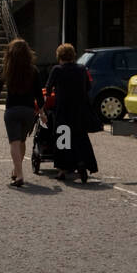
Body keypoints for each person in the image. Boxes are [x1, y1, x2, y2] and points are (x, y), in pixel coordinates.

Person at [0, 38, 44, 187]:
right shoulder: (33, 70)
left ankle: (19, 174)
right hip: (28, 111)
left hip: (12, 110)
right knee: (21, 142)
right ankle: (16, 171)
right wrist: (42, 112)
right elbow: (39, 95)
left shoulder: (7, 68)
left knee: (14, 143)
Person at [45, 43, 99, 182]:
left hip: (63, 110)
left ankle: (62, 170)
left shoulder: (57, 69)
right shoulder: (82, 69)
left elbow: (49, 88)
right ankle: (82, 162)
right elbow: (88, 87)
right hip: (80, 110)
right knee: (80, 137)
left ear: (59, 56)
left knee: (63, 140)